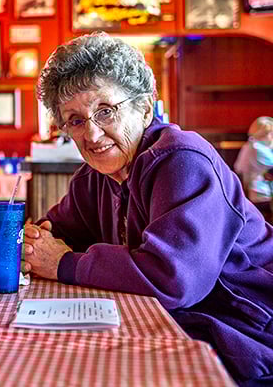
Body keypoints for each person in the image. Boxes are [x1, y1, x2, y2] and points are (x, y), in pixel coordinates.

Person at [24, 32, 273, 386]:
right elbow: (56, 232)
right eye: (76, 120)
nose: (92, 135)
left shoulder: (182, 160)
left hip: (245, 340)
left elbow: (172, 279)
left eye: (105, 111)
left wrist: (63, 262)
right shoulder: (94, 177)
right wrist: (35, 242)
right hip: (175, 328)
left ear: (144, 107)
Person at [234, 116, 273, 219]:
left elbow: (238, 168)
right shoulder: (257, 147)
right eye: (270, 133)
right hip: (262, 194)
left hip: (252, 193)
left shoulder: (248, 145)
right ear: (263, 133)